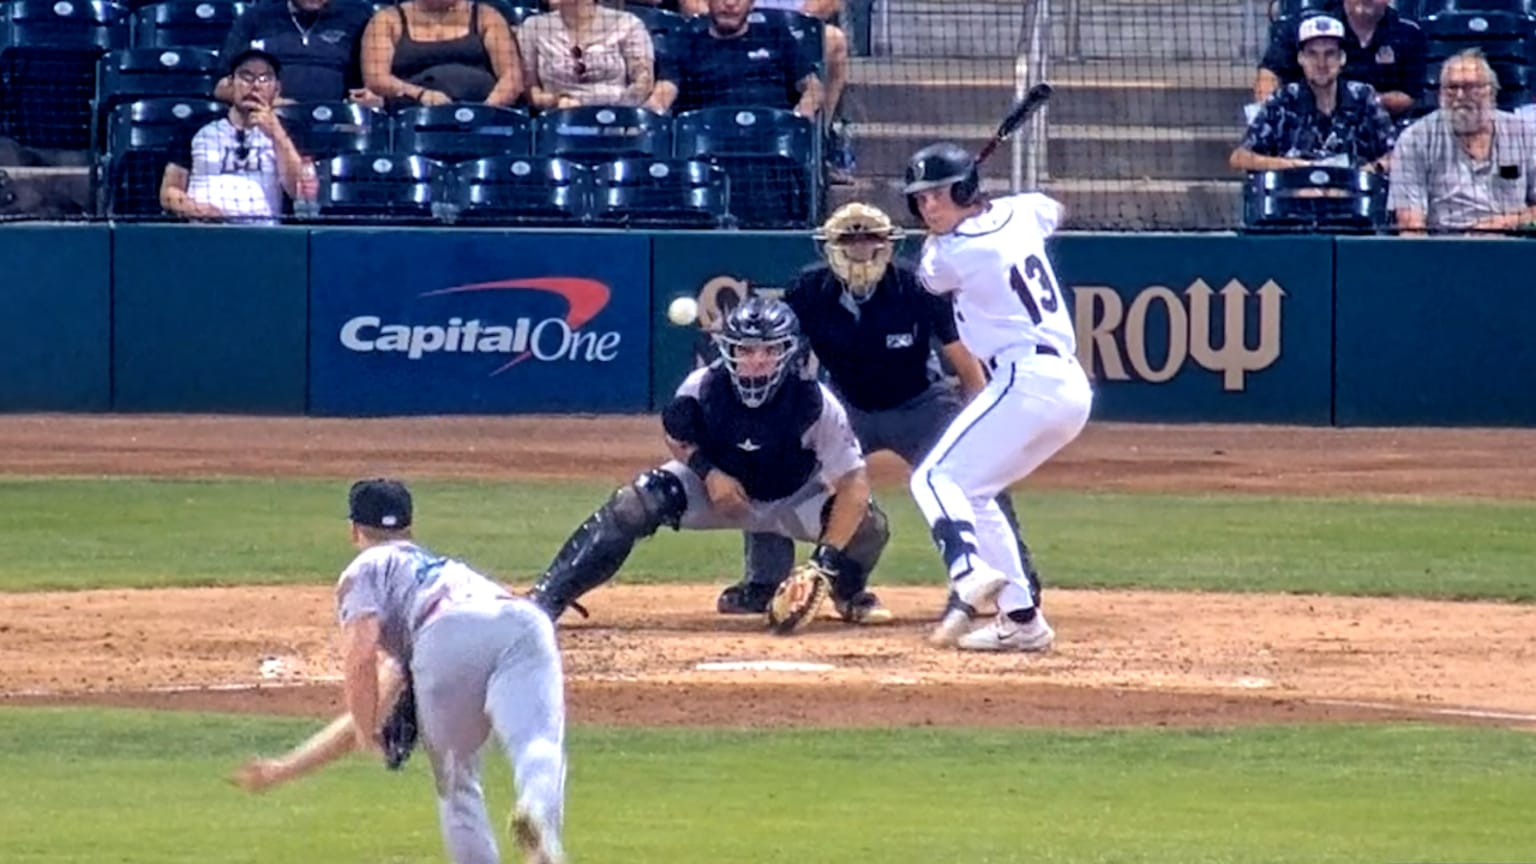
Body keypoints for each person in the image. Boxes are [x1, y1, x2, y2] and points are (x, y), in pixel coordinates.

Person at [721, 202, 1045, 626]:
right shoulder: (808, 290)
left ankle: (1009, 582)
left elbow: (964, 362)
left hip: (922, 402)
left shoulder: (917, 285)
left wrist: (984, 426)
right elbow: (784, 359)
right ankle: (765, 581)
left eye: (869, 237)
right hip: (844, 406)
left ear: (887, 243)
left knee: (974, 477)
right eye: (849, 239)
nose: (860, 248)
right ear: (830, 246)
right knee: (772, 461)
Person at [231, 478, 568, 864]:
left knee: (457, 783)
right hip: (523, 620)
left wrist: (362, 728)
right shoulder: (445, 573)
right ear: (409, 528)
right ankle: (537, 812)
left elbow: (360, 656)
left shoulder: (365, 569)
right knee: (537, 742)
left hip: (443, 632)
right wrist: (286, 768)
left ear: (354, 529)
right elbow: (382, 684)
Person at [527, 295, 891, 626]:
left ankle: (846, 591)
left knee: (869, 525)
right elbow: (677, 435)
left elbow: (853, 483)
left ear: (788, 351)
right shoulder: (702, 387)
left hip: (794, 498)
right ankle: (547, 598)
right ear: (728, 350)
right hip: (720, 494)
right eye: (746, 351)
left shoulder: (816, 402)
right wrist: (708, 472)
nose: (757, 360)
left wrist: (822, 564)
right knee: (635, 502)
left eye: (768, 350)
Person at [903, 142, 1093, 652]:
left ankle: (965, 569)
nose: (928, 208)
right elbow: (1054, 210)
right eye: (920, 200)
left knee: (932, 477)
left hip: (1025, 377)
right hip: (1066, 387)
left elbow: (929, 279)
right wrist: (992, 208)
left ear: (966, 189)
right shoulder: (1022, 210)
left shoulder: (952, 254)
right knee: (974, 492)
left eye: (938, 195)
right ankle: (1023, 621)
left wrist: (955, 225)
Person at [159, 48, 314, 224]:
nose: (255, 85)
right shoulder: (196, 126)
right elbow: (168, 191)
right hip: (204, 232)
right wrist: (194, 208)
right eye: (246, 77)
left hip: (266, 236)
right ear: (231, 84)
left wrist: (276, 133)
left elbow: (301, 192)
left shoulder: (290, 131)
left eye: (264, 78)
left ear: (276, 90)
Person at [1390, 49, 1536, 233]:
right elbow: (1410, 225)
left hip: (1514, 246)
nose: (1460, 96)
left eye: (1471, 88)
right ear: (1439, 94)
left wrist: (1504, 223)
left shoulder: (1524, 134)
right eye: (1451, 88)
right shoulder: (1414, 139)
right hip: (1443, 249)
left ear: (1492, 92)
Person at [1231, 15, 1397, 174]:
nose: (1321, 64)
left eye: (1330, 54)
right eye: (1312, 54)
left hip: (1353, 197)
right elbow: (1239, 158)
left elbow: (1398, 153)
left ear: (1342, 59)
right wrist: (1290, 166)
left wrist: (1373, 169)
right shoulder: (1282, 101)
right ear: (1300, 58)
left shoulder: (1363, 97)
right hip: (1294, 198)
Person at [643, 0, 822, 120]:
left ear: (752, 3)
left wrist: (802, 113)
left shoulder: (775, 35)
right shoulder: (685, 44)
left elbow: (812, 86)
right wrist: (643, 117)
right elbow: (662, 95)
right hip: (709, 145)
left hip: (773, 142)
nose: (729, 3)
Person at [1255, 0, 1425, 119]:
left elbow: (1409, 96)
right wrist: (1271, 115)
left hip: (1377, 126)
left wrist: (1355, 100)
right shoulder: (1309, 24)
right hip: (1306, 122)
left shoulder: (1408, 33)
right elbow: (1269, 74)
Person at [361, 0, 524, 109]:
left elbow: (511, 77)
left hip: (484, 112)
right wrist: (420, 94)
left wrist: (485, 110)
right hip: (416, 113)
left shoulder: (486, 16)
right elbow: (376, 78)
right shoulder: (387, 20)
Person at [216, 0, 378, 106]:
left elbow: (379, 83)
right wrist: (265, 101)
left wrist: (375, 98)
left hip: (339, 123)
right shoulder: (257, 17)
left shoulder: (358, 16)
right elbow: (221, 87)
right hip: (268, 118)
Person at [517, 0, 655, 110]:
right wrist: (555, 101)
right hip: (559, 119)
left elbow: (644, 82)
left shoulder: (627, 23)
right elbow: (530, 89)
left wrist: (617, 112)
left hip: (617, 119)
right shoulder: (533, 27)